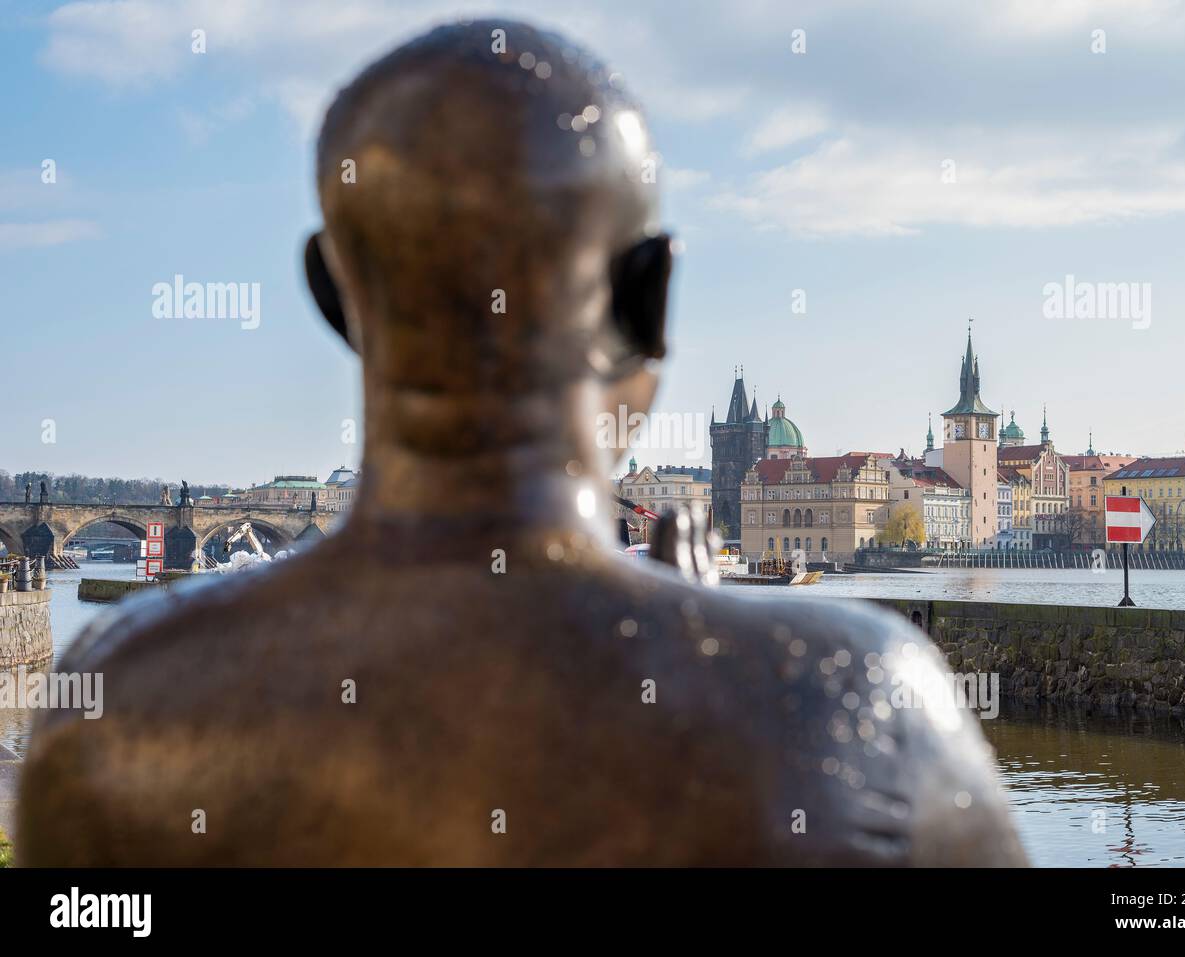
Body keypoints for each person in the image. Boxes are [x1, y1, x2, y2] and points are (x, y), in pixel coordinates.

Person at [19, 20, 1024, 866]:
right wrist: (705, 645)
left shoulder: (111, 704)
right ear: (649, 297)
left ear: (333, 295)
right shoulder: (854, 705)